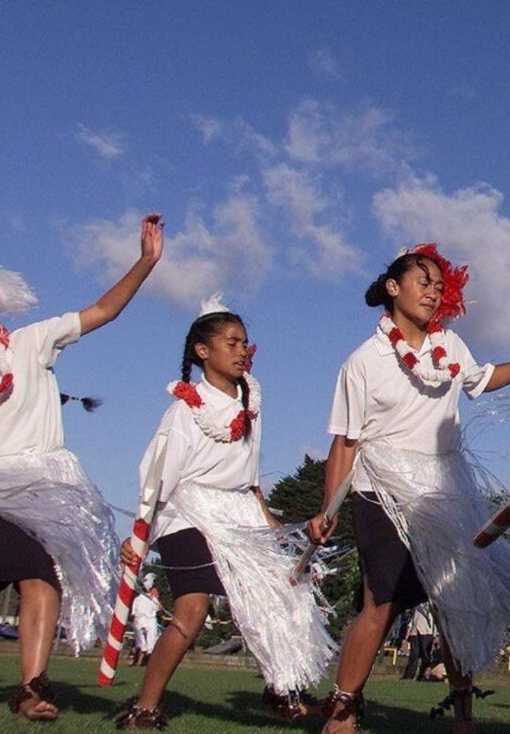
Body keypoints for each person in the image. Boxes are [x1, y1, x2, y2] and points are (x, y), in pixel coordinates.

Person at [310, 245, 510, 734]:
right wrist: (327, 507)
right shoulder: (364, 361)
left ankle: (462, 714)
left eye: (439, 287)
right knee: (380, 598)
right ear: (393, 288)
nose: (433, 292)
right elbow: (345, 442)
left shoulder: (450, 345)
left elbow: (481, 380)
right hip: (379, 487)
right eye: (422, 282)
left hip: (443, 486)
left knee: (453, 600)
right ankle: (341, 713)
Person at [115, 298, 335, 729]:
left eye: (245, 344)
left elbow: (250, 479)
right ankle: (146, 705)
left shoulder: (251, 402)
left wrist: (277, 531)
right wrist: (137, 536)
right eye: (232, 343)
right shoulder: (184, 410)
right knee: (193, 608)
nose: (241, 351)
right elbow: (157, 479)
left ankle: (284, 691)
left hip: (238, 512)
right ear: (202, 351)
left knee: (284, 595)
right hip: (187, 510)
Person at [0, 214, 163, 722]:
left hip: (35, 487)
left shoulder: (31, 342)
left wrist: (147, 262)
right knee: (34, 572)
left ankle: (30, 688)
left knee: (40, 574)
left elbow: (104, 310)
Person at [128, 575, 161, 668]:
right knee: (144, 644)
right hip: (143, 620)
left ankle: (141, 661)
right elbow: (158, 609)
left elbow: (133, 613)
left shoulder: (148, 599)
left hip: (145, 620)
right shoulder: (141, 599)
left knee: (146, 643)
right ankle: (139, 660)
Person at [402, 604, 439, 681]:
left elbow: (431, 614)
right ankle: (408, 675)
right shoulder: (418, 603)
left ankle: (423, 676)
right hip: (415, 630)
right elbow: (414, 615)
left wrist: (435, 634)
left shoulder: (430, 603)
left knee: (425, 656)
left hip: (427, 631)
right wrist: (409, 629)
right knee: (413, 654)